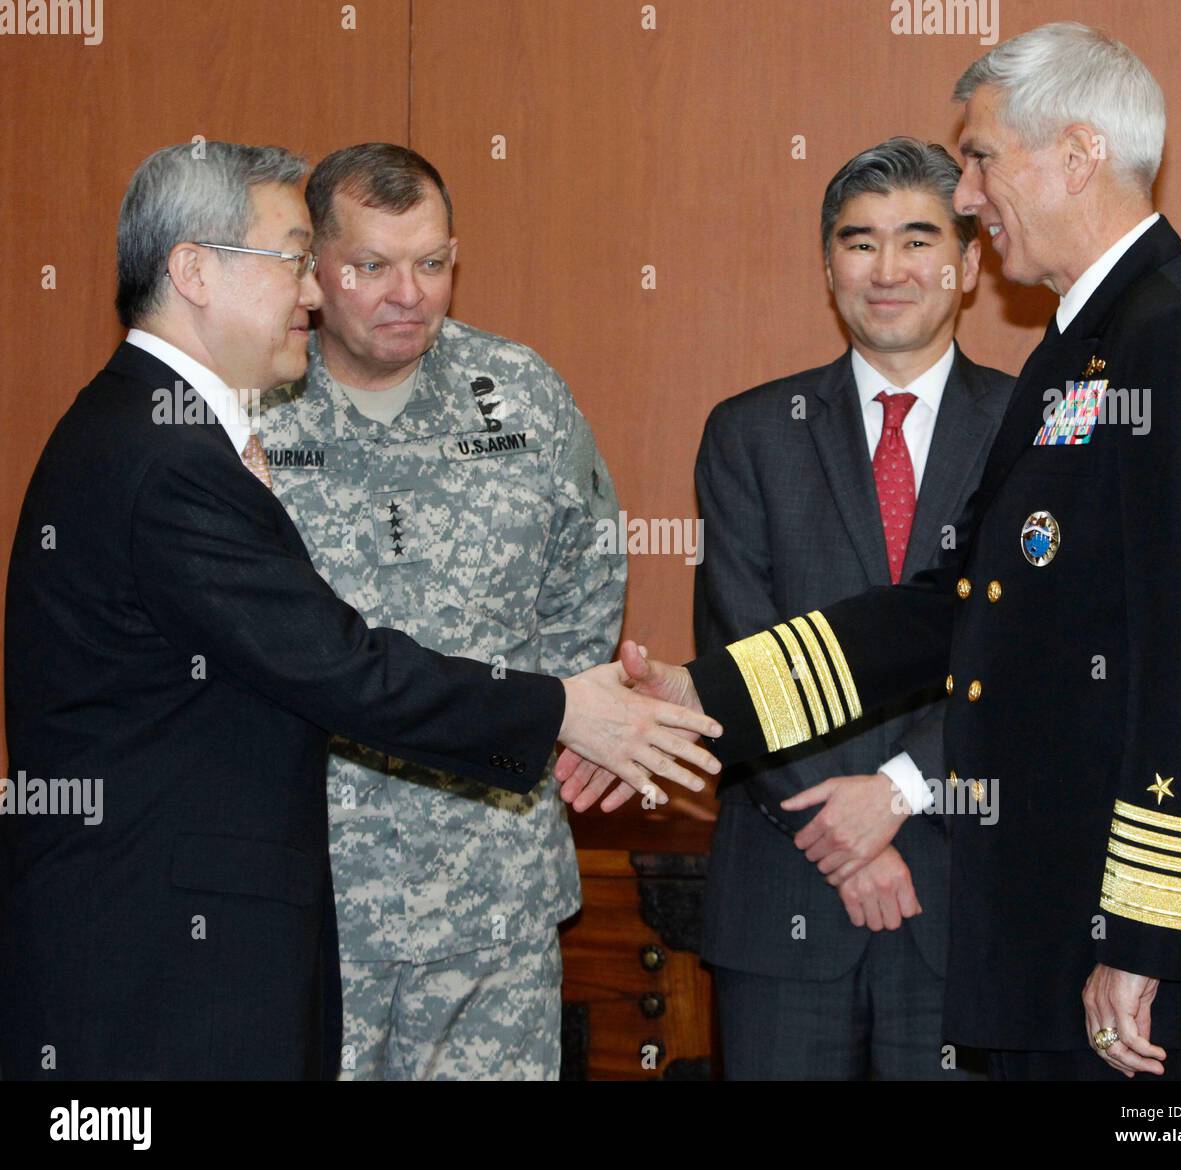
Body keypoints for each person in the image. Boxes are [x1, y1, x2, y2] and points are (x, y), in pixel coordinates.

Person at [560, 22, 1181, 1082]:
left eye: (984, 158)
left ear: (1075, 155)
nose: (972, 197)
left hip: (1120, 973)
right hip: (1043, 944)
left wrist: (1143, 943)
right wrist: (702, 691)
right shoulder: (1078, 347)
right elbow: (952, 606)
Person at [0, 141, 717, 1080]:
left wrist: (577, 707)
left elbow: (576, 583)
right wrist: (564, 709)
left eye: (430, 263)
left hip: (406, 906)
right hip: (178, 955)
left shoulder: (152, 427)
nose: (310, 293)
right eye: (302, 261)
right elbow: (339, 664)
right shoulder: (173, 455)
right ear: (196, 271)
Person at [258, 143, 624, 1080]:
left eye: (432, 262)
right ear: (313, 271)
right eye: (371, 266)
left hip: (490, 897)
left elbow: (587, 591)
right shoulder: (252, 409)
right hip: (308, 893)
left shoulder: (522, 393)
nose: (407, 294)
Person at [691, 138, 1012, 1079]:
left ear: (967, 263)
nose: (888, 269)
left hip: (964, 900)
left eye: (918, 240)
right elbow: (742, 654)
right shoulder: (749, 433)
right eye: (858, 241)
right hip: (784, 897)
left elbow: (1035, 659)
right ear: (828, 264)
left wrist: (902, 792)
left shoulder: (1034, 430)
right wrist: (846, 841)